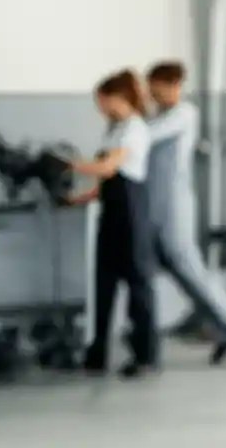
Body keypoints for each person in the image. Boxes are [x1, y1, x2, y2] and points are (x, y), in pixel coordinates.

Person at [146, 61, 226, 365]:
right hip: (153, 202)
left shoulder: (183, 113)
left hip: (174, 203)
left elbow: (146, 136)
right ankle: (220, 330)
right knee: (178, 272)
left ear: (174, 85)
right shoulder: (157, 116)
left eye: (157, 89)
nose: (154, 95)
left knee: (188, 265)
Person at [67, 69, 160, 378]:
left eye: (102, 101)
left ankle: (145, 356)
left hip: (132, 215)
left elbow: (108, 167)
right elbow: (106, 181)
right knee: (103, 285)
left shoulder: (135, 129)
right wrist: (82, 197)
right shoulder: (114, 129)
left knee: (138, 287)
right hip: (111, 213)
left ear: (117, 98)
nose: (100, 108)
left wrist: (69, 164)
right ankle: (97, 353)